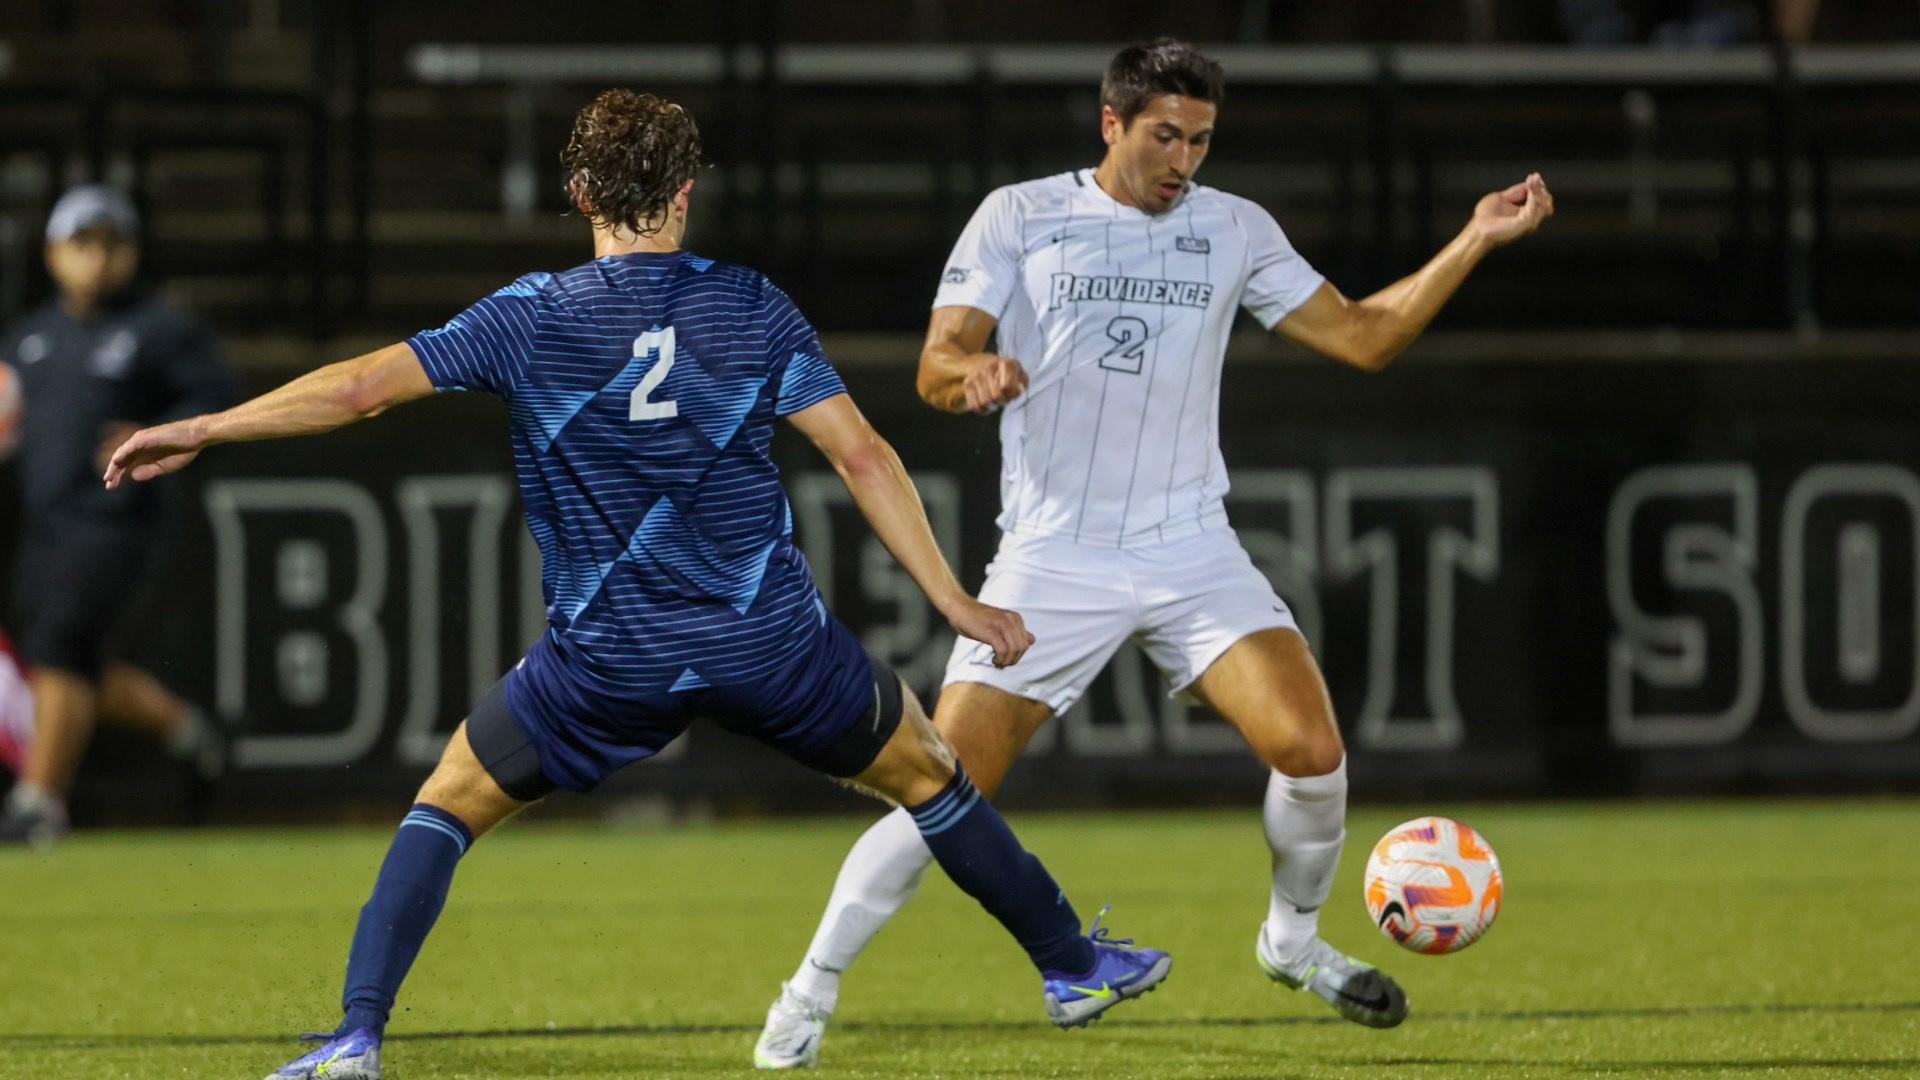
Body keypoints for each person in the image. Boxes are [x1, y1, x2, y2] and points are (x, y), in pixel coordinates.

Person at [104, 89, 1172, 1080]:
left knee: (445, 806)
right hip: (773, 650)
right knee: (934, 775)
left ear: (579, 196)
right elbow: (863, 457)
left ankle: (356, 1035)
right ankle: (1071, 963)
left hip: (607, 662)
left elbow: (359, 392)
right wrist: (953, 601)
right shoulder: (750, 307)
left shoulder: (529, 317)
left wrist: (204, 426)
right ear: (685, 193)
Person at [752, 38, 1554, 1069]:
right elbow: (934, 365)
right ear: (1112, 125)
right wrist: (976, 375)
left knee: (1312, 751)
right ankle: (806, 996)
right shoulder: (1021, 214)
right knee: (944, 787)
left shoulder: (1233, 229)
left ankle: (1291, 941)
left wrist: (1475, 239)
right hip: (1056, 558)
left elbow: (1362, 337)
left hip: (1190, 549)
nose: (1185, 159)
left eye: (1203, 140)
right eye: (1166, 135)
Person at [0, 184, 236, 847]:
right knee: (71, 661)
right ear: (52, 254)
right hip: (44, 523)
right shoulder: (30, 339)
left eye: (112, 244)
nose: (97, 259)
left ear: (132, 252)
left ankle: (38, 802)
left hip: (116, 517)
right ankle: (186, 728)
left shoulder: (161, 329)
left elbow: (219, 398)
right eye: (82, 244)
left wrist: (169, 428)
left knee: (62, 647)